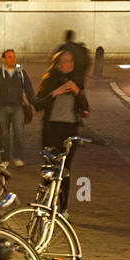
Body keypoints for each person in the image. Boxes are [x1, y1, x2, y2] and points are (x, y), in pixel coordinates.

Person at [33, 48, 90, 214]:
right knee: (49, 168)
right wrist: (54, 93)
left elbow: (85, 108)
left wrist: (77, 91)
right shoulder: (49, 80)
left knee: (65, 171)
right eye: (65, 61)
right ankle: (43, 205)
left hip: (70, 130)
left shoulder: (77, 81)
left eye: (71, 61)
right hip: (52, 130)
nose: (69, 64)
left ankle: (63, 209)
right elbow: (37, 105)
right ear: (57, 65)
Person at [0, 49, 35, 166]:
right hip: (2, 108)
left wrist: (35, 103)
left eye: (14, 57)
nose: (13, 59)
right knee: (4, 134)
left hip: (18, 107)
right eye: (9, 57)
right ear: (3, 59)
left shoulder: (21, 73)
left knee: (19, 133)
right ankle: (5, 159)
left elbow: (29, 89)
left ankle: (18, 157)